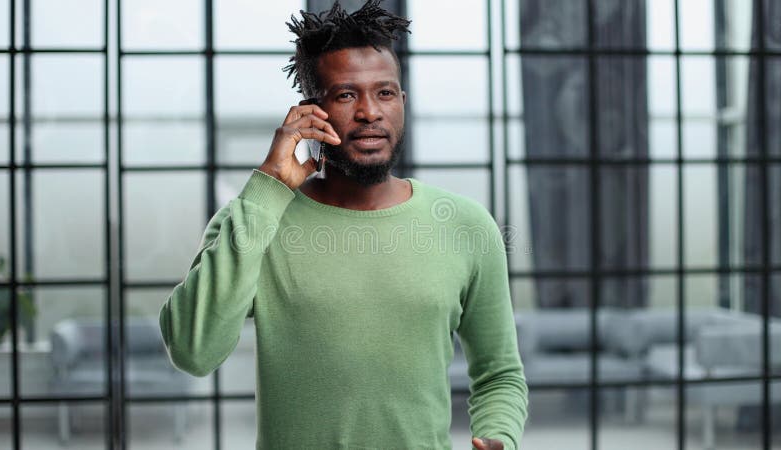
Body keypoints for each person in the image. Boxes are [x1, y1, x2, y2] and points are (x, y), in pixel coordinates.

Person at [158, 1, 528, 448]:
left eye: (385, 93)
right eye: (347, 95)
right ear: (312, 112)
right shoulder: (254, 220)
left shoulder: (467, 225)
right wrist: (269, 186)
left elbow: (500, 374)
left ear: (402, 104)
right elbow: (193, 351)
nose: (370, 112)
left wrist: (499, 436)